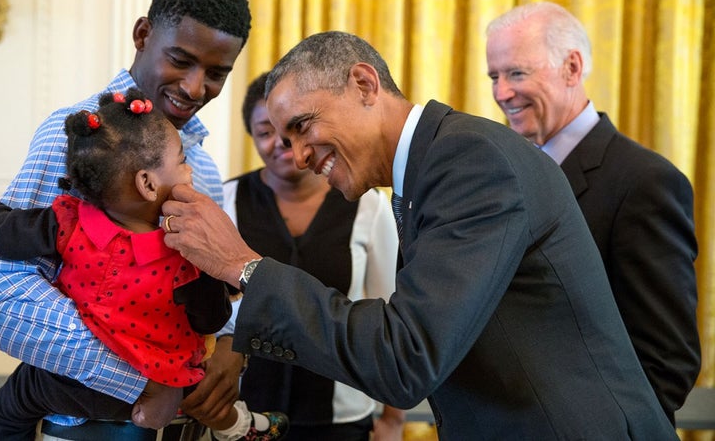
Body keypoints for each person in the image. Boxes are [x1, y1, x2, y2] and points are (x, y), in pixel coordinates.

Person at [159, 30, 679, 440]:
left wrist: (244, 267)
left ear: (364, 85)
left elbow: (405, 356)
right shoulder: (431, 167)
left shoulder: (471, 160)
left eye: (303, 126)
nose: (296, 157)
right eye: (281, 137)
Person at [0, 0, 254, 438]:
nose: (196, 88)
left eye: (217, 74)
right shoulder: (79, 141)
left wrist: (233, 342)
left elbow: (211, 289)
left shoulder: (204, 168)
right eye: (180, 59)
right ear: (142, 34)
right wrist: (145, 380)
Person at [0, 89, 288, 441]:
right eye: (182, 161)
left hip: (79, 385)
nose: (190, 169)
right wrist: (214, 277)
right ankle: (239, 426)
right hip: (161, 381)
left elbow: (9, 233)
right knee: (202, 387)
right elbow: (211, 320)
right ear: (148, 184)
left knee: (15, 399)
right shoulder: (183, 255)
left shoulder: (68, 224)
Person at [484, 1, 700, 424]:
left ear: (572, 67)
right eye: (494, 76)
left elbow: (667, 363)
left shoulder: (645, 182)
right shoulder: (504, 173)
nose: (501, 93)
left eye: (517, 74)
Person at [225, 73, 405, 440]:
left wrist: (393, 419)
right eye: (265, 132)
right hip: (244, 414)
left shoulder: (366, 204)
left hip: (341, 417)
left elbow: (392, 312)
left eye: (291, 130)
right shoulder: (227, 200)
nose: (280, 143)